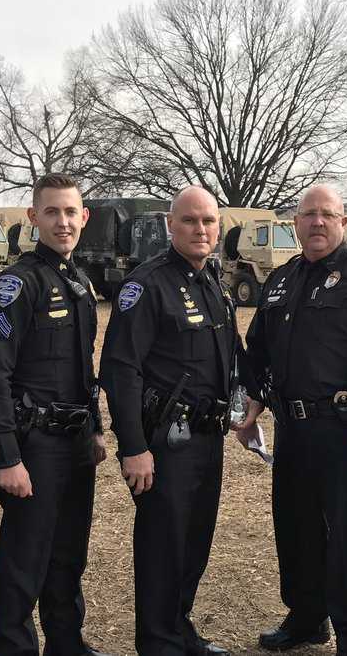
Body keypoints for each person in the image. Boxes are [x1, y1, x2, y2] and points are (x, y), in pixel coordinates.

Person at [234, 185, 347, 656]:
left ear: (343, 223)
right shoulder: (282, 279)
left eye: (326, 215)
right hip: (294, 431)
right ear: (295, 222)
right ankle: (307, 618)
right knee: (296, 530)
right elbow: (259, 350)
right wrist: (252, 402)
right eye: (307, 214)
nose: (316, 222)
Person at [99, 186, 244, 656]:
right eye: (189, 221)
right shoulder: (147, 285)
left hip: (208, 436)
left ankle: (179, 629)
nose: (200, 230)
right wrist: (133, 448)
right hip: (165, 442)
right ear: (169, 225)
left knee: (195, 541)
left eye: (208, 221)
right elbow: (120, 371)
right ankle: (158, 643)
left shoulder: (213, 282)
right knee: (163, 546)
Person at [0, 173, 109, 656]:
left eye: (71, 212)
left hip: (75, 441)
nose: (63, 221)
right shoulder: (18, 284)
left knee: (69, 552)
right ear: (32, 218)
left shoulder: (78, 279)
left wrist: (95, 428)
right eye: (51, 212)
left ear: (84, 218)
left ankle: (65, 642)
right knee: (24, 558)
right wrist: (7, 457)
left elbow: (83, 367)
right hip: (33, 445)